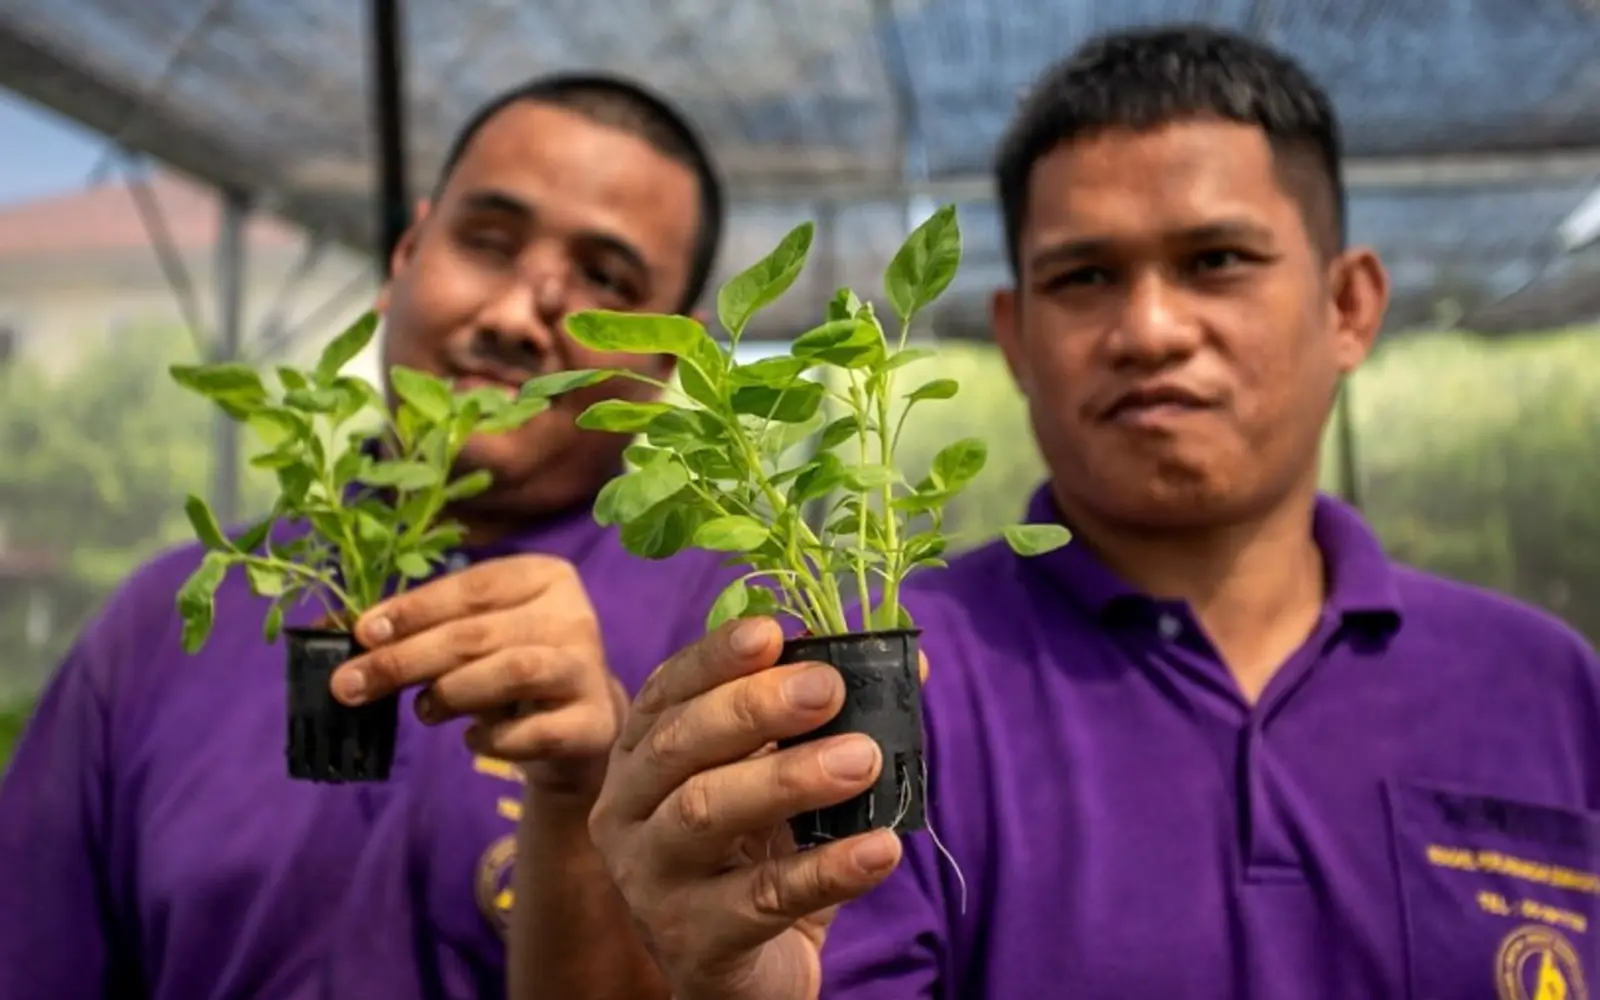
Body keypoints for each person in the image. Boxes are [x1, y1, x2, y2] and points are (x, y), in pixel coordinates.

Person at [558, 24, 1600, 1000]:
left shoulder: (1542, 683)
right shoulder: (891, 679)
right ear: (1012, 335)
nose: (1148, 329)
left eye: (1215, 261)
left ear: (1347, 305)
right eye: (1085, 275)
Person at [0, 71, 738, 1000]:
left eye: (603, 280)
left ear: (670, 357)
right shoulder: (164, 624)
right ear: (404, 255)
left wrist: (581, 795)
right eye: (487, 240)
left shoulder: (735, 647)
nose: (517, 316)